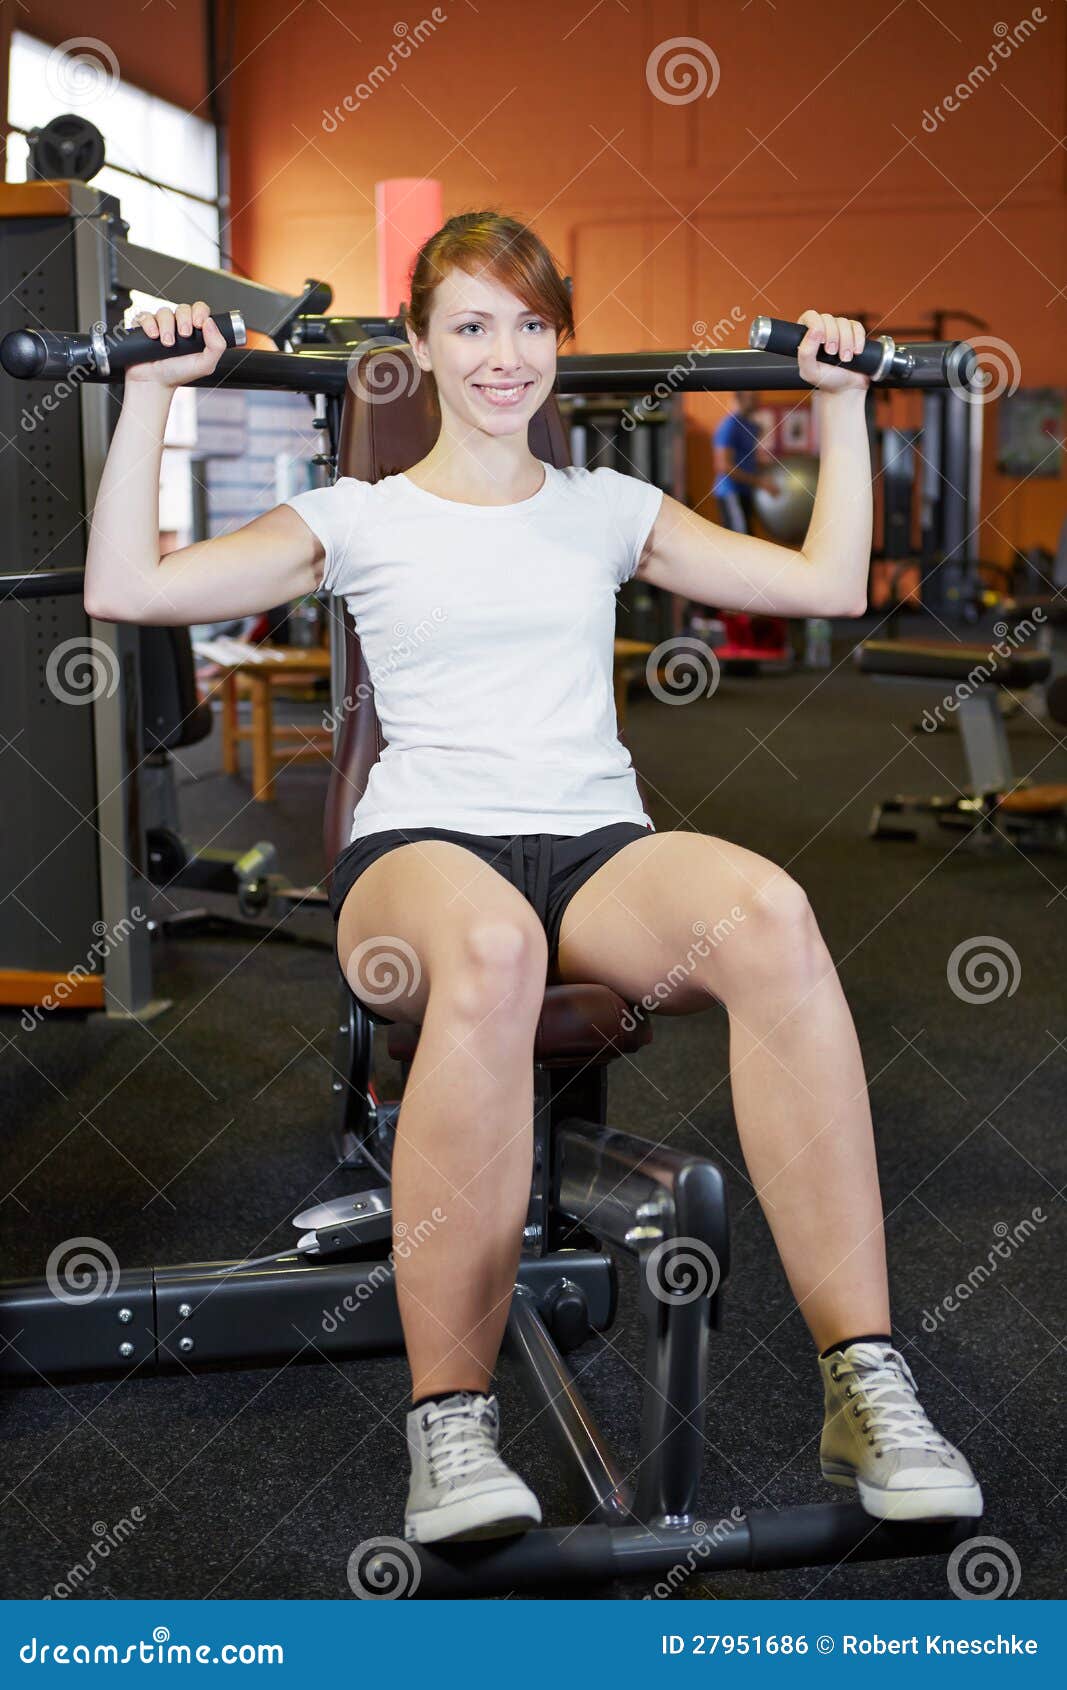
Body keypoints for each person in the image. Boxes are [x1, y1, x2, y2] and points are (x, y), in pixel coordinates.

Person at [84, 211, 983, 1549]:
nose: (502, 355)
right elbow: (125, 582)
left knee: (774, 920)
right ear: (417, 347)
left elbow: (828, 581)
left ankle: (864, 1378)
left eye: (528, 324)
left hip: (592, 843)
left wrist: (841, 404)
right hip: (421, 852)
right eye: (469, 324)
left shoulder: (606, 511)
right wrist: (151, 390)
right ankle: (448, 1424)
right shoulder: (355, 517)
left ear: (555, 340)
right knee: (495, 948)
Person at [712, 389, 774, 533]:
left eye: (756, 397)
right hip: (730, 492)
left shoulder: (751, 426)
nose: (756, 401)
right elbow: (723, 466)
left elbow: (746, 458)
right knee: (741, 537)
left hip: (746, 491)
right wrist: (759, 482)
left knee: (748, 536)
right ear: (739, 399)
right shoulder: (729, 425)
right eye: (751, 398)